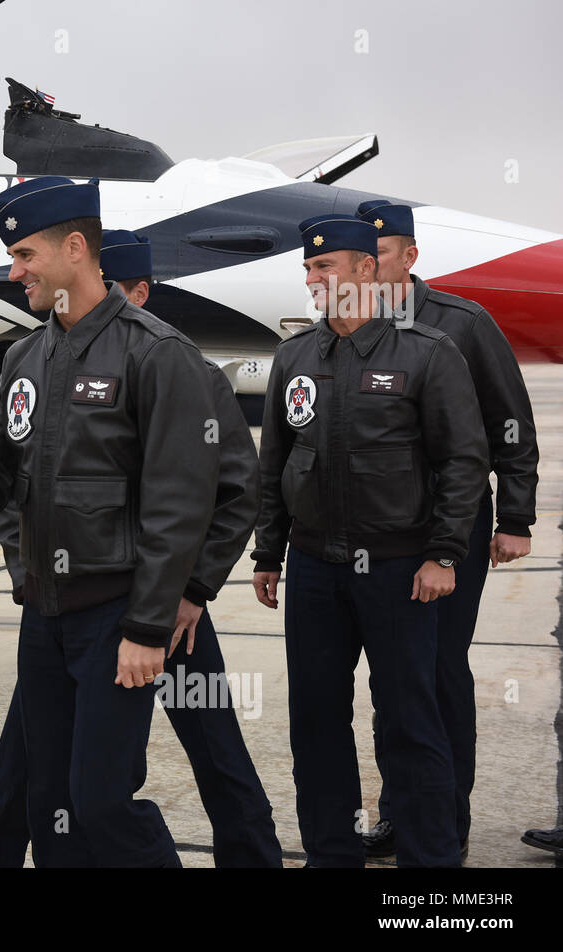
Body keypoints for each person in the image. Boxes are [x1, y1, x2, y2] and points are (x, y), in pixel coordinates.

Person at [0, 177, 222, 866]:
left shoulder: (156, 354)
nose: (14, 273)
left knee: (100, 804)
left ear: (76, 248)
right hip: (43, 620)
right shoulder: (24, 357)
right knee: (52, 806)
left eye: (23, 254)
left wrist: (147, 626)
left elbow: (179, 503)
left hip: (115, 619)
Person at [0, 229, 282, 868]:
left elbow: (228, 488)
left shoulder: (174, 363)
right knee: (28, 772)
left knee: (214, 755)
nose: (134, 303)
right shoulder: (41, 358)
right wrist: (27, 573)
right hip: (79, 607)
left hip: (165, 608)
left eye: (137, 290)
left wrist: (191, 591)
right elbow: (11, 483)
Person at [251, 215, 489, 868]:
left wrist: (444, 553)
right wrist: (268, 552)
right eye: (308, 268)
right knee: (317, 723)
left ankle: (431, 865)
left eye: (325, 267)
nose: (314, 279)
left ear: (366, 270)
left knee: (412, 723)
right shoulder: (296, 356)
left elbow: (463, 460)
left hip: (399, 568)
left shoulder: (427, 352)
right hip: (315, 568)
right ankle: (332, 855)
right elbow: (273, 459)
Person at [353, 200, 539, 861]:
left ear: (410, 257)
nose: (365, 265)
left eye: (378, 253)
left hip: (451, 526)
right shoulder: (351, 326)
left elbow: (510, 422)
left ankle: (443, 820)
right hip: (376, 532)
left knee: (436, 670)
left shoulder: (463, 324)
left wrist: (515, 516)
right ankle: (399, 814)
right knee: (391, 674)